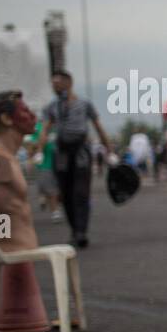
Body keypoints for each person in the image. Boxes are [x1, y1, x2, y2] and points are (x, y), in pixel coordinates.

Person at [0, 91, 53, 332]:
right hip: (14, 246)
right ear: (7, 119)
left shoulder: (4, 157)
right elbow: (2, 214)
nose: (31, 115)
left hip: (17, 244)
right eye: (25, 111)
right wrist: (6, 243)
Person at [43, 69, 113, 248]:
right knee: (65, 194)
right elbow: (45, 128)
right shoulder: (52, 106)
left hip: (81, 151)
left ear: (68, 83)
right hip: (62, 153)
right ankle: (74, 229)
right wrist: (37, 149)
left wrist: (109, 148)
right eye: (53, 84)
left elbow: (97, 125)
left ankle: (81, 231)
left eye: (57, 83)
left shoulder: (84, 104)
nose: (55, 87)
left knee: (80, 193)